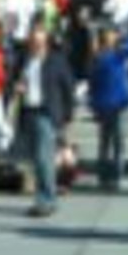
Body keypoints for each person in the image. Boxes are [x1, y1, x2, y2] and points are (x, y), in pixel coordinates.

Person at [16, 28, 76, 218]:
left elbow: (68, 88)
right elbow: (16, 80)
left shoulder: (56, 61)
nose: (35, 45)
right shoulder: (25, 60)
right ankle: (43, 197)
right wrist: (18, 87)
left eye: (39, 41)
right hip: (28, 111)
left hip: (46, 113)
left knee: (44, 158)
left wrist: (67, 116)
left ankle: (47, 200)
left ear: (46, 43)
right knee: (36, 158)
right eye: (33, 41)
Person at [88, 28, 128, 190]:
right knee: (115, 140)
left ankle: (105, 174)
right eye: (110, 37)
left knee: (107, 140)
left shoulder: (98, 57)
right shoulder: (115, 56)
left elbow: (92, 83)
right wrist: (125, 37)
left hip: (108, 103)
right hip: (115, 102)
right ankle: (113, 174)